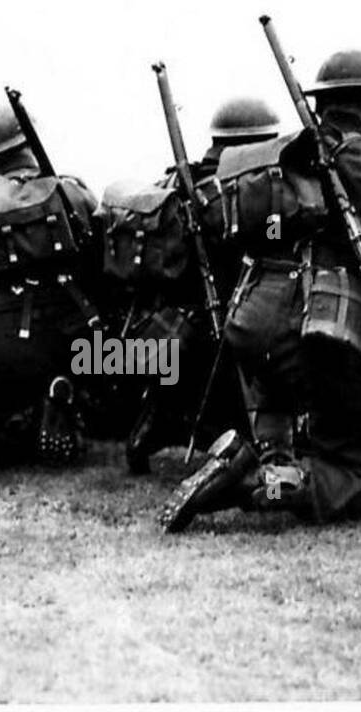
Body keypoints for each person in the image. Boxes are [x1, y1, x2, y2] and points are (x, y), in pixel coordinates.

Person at [161, 49, 361, 532]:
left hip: (251, 320)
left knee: (300, 419)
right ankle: (253, 480)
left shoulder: (274, 158)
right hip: (324, 328)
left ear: (322, 104)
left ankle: (260, 457)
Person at [0, 104, 102, 466]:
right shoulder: (71, 191)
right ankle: (64, 400)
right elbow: (101, 265)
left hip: (5, 348)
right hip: (79, 339)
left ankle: (26, 418)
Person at [123, 97, 281, 473]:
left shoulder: (180, 181)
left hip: (173, 330)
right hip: (228, 324)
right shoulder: (248, 187)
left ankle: (155, 426)